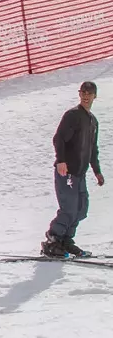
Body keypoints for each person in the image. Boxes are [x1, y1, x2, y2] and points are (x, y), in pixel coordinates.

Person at [42, 82, 102, 258]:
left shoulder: (92, 121)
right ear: (79, 94)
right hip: (66, 172)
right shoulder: (72, 115)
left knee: (81, 209)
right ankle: (52, 241)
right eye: (83, 92)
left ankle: (65, 240)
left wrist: (96, 171)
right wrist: (61, 160)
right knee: (69, 208)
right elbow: (59, 139)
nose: (85, 95)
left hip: (80, 174)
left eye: (89, 93)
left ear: (95, 96)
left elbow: (93, 149)